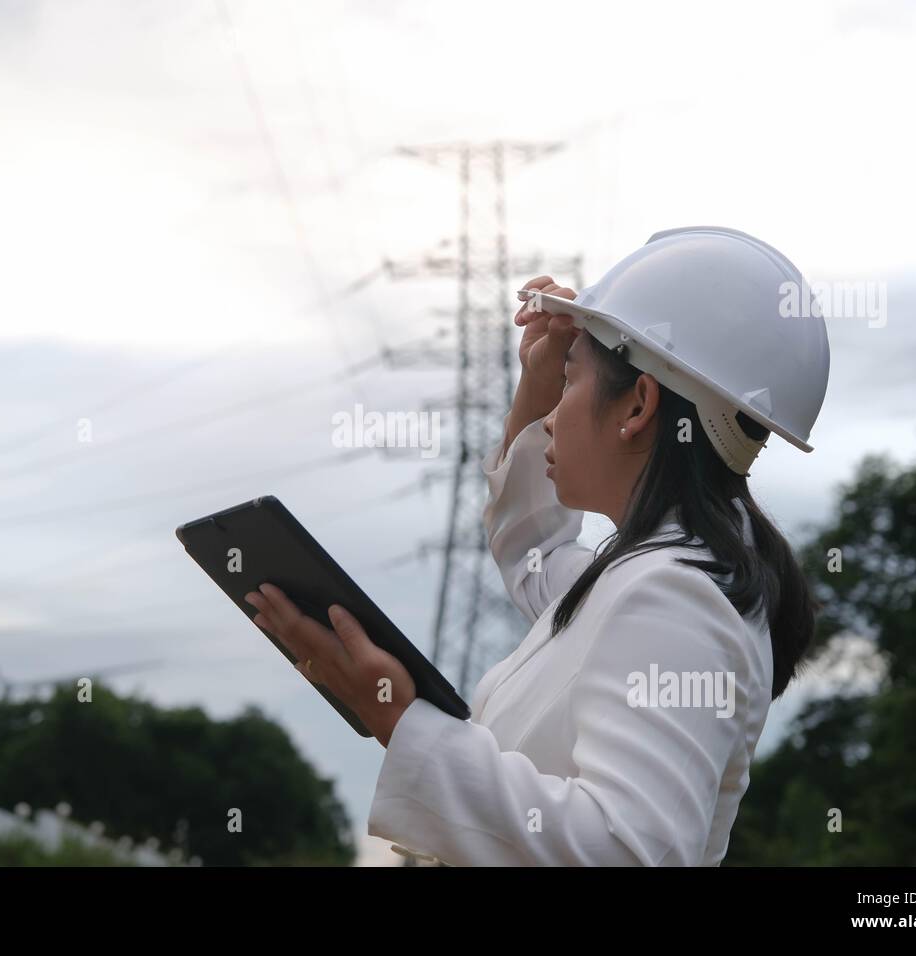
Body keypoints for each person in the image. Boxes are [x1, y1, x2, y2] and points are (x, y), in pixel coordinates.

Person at [244, 226, 831, 866]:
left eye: (570, 385)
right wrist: (540, 379)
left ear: (638, 405)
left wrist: (400, 720)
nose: (551, 415)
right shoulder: (650, 575)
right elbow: (533, 550)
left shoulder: (674, 595)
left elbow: (628, 853)